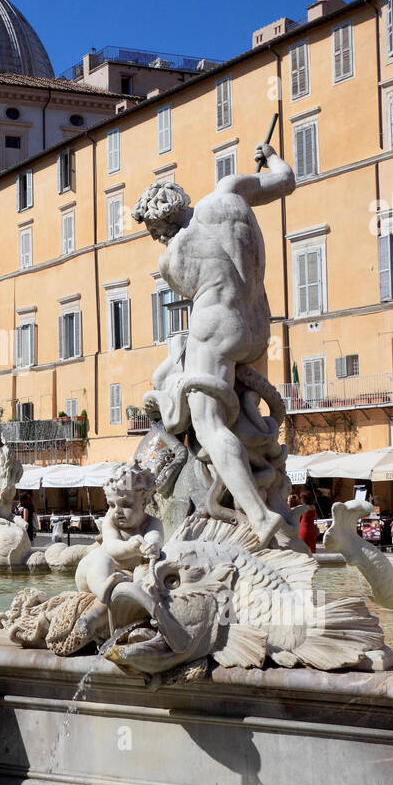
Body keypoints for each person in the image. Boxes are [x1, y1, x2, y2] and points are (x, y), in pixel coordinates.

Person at [132, 139, 296, 549]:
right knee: (240, 408)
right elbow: (286, 180)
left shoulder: (170, 259)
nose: (155, 239)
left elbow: (198, 288)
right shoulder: (229, 191)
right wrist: (269, 155)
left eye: (153, 232)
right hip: (259, 325)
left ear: (159, 225)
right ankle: (255, 488)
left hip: (217, 326)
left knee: (207, 423)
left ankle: (258, 516)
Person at [298, 488, 318, 555]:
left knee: (303, 548)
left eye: (301, 498)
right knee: (311, 548)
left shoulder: (304, 508)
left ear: (304, 499)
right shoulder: (313, 507)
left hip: (304, 529)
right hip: (311, 529)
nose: (300, 499)